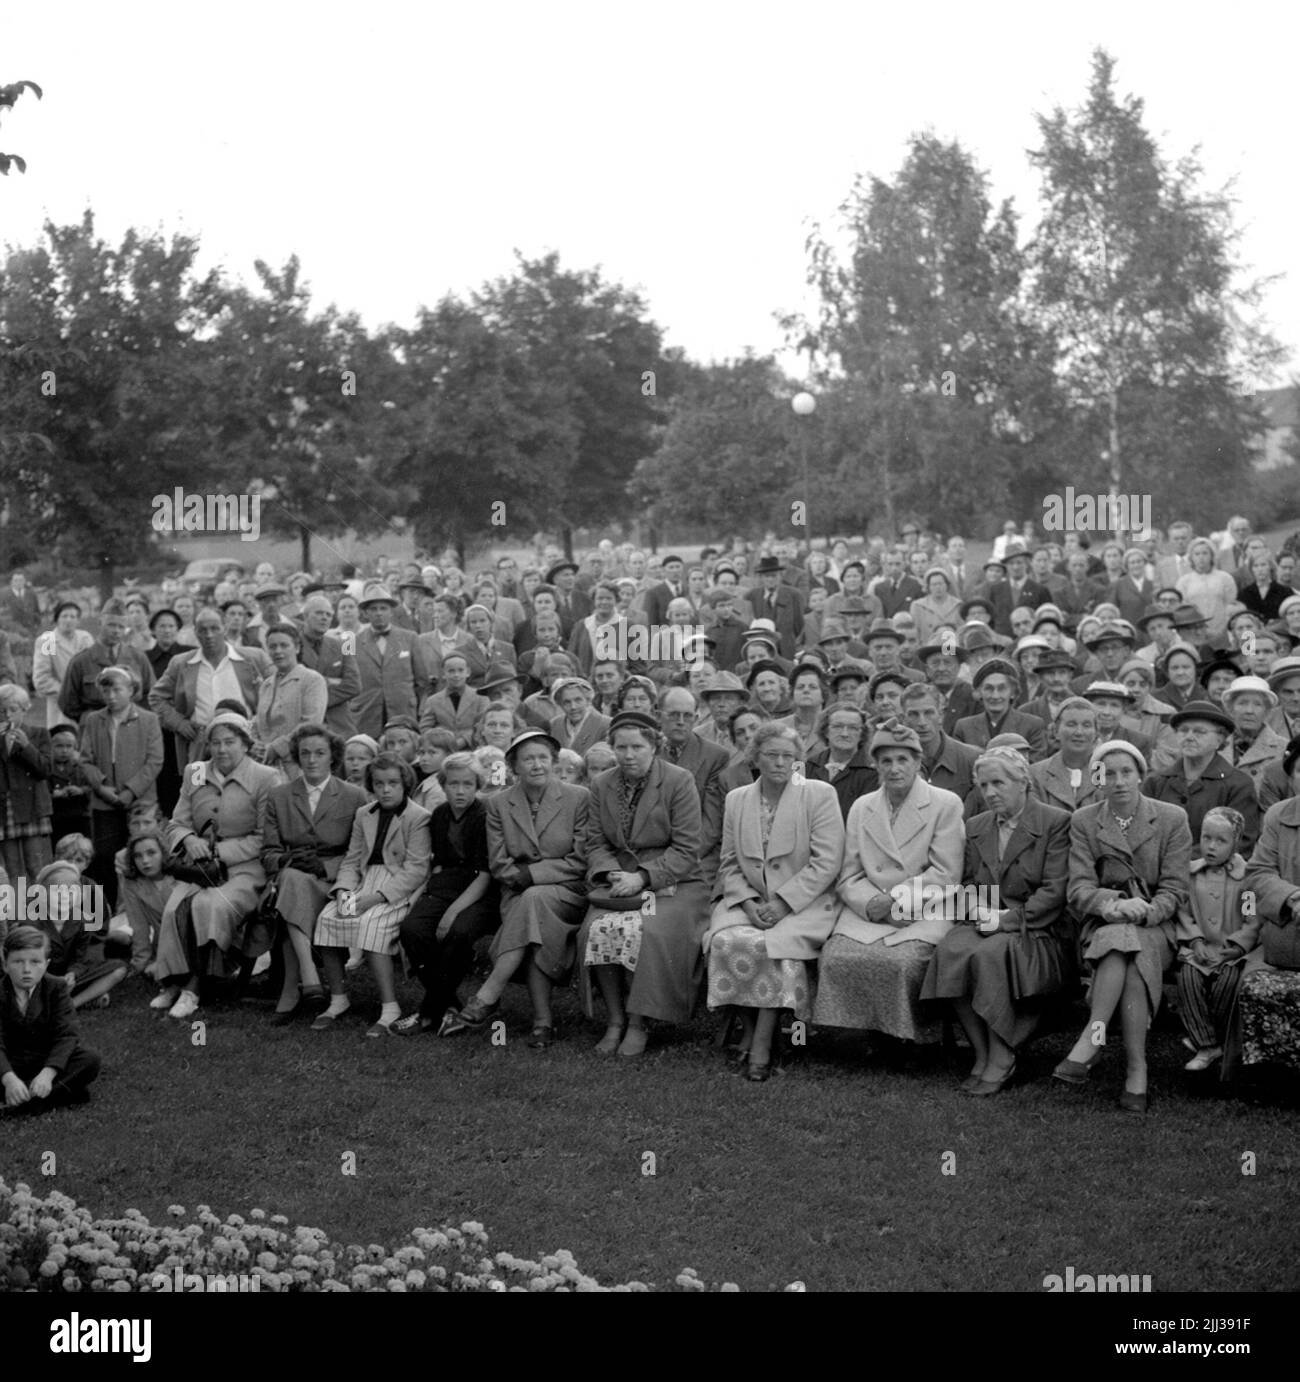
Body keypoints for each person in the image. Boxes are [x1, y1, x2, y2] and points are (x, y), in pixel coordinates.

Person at [1053, 740, 1193, 1113]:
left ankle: (1092, 1038)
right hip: (1102, 924)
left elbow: (1177, 888)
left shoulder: (1171, 818)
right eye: (1107, 773)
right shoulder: (1084, 821)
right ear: (1096, 780)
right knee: (1123, 944)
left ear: (1141, 776)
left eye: (1126, 772)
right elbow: (1078, 888)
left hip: (1157, 924)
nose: (1118, 781)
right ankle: (1137, 1068)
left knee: (1131, 943)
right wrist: (1112, 905)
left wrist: (1143, 911)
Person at [922, 748, 1072, 1094]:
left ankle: (1003, 1055)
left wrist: (1005, 920)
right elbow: (972, 882)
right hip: (987, 919)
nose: (990, 792)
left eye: (998, 783)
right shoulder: (976, 826)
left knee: (989, 956)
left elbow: (1055, 891)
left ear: (1023, 783)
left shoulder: (1055, 822)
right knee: (952, 950)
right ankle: (982, 1050)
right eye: (983, 785)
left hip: (1037, 927)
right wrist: (977, 910)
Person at [705, 723, 845, 1082]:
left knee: (774, 948)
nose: (780, 763)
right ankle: (752, 1031)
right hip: (749, 899)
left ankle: (762, 1044)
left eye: (788, 755)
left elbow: (827, 862)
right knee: (726, 941)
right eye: (771, 755)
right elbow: (730, 863)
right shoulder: (737, 799)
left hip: (805, 902)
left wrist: (784, 904)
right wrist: (749, 903)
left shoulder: (819, 794)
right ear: (755, 758)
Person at [812, 719, 965, 1046]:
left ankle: (910, 1038)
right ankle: (865, 1034)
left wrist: (895, 899)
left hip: (924, 909)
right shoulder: (862, 807)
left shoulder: (945, 803)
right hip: (867, 910)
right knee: (838, 956)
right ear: (875, 765)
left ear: (917, 762)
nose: (894, 768)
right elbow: (849, 874)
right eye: (886, 761)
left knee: (901, 963)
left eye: (902, 760)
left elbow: (946, 872)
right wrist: (871, 904)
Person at [434, 732, 589, 1045]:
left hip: (568, 892)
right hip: (516, 894)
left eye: (543, 758)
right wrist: (520, 878)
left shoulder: (578, 798)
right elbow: (499, 862)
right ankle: (542, 1025)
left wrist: (532, 874)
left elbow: (581, 860)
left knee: (534, 902)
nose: (536, 765)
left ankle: (489, 994)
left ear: (554, 762)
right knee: (533, 914)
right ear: (513, 766)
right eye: (528, 759)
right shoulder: (499, 804)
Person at [577, 710, 707, 1058]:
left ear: (654, 746)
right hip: (618, 880)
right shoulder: (602, 783)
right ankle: (615, 1019)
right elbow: (594, 842)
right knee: (597, 928)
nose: (629, 755)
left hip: (674, 881)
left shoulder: (679, 781)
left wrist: (643, 877)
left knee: (648, 931)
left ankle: (639, 1021)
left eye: (637, 746)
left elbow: (687, 848)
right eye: (621, 747)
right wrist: (611, 873)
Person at [149, 712, 280, 1021]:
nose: (222, 750)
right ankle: (175, 981)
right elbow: (177, 822)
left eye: (230, 742)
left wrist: (217, 850)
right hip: (199, 866)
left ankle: (195, 987)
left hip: (245, 868)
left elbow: (264, 837)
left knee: (212, 906)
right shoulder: (195, 772)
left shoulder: (265, 777)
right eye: (215, 743)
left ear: (246, 744)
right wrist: (188, 838)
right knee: (173, 909)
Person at [311, 753, 432, 1037]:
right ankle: (338, 999)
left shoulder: (418, 817)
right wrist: (342, 890)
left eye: (392, 783)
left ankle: (390, 1007)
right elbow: (352, 860)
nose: (385, 789)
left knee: (371, 924)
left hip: (396, 887)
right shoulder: (364, 814)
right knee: (329, 918)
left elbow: (415, 870)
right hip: (364, 881)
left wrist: (376, 898)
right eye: (379, 784)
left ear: (405, 784)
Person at [260, 725, 368, 1024]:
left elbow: (363, 852)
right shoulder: (279, 796)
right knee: (292, 880)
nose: (311, 760)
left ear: (333, 757)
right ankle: (309, 979)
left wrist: (327, 867)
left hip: (339, 883)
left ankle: (297, 986)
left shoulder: (354, 795)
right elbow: (268, 854)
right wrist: (288, 858)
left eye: (319, 753)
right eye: (304, 753)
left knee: (291, 898)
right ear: (296, 757)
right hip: (293, 876)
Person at [393, 753, 499, 1035]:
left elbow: (485, 873)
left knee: (458, 931)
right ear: (443, 785)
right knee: (412, 929)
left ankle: (428, 1012)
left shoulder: (484, 815)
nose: (460, 790)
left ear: (477, 785)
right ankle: (448, 1006)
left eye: (467, 784)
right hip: (445, 884)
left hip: (481, 890)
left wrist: (451, 913)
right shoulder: (439, 814)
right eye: (453, 784)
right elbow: (438, 863)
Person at [1173, 807, 1259, 1073]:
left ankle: (1215, 1040)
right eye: (1206, 838)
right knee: (1187, 977)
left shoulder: (1246, 880)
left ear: (1236, 842)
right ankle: (1206, 1043)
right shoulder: (1191, 874)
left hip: (1230, 953)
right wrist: (1195, 941)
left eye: (1221, 841)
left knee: (1228, 983)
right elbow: (1184, 913)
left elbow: (1251, 920)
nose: (1211, 846)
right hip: (1199, 950)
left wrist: (1235, 947)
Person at [1235, 741, 1300, 1076]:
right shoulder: (1279, 815)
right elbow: (1257, 873)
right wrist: (1293, 898)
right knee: (1253, 982)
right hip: (1288, 940)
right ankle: (1271, 1076)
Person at [77, 666, 164, 911]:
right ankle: (107, 915)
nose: (111, 696)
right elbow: (85, 759)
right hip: (104, 801)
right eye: (106, 691)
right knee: (105, 856)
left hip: (140, 802)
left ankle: (145, 912)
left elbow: (155, 760)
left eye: (117, 690)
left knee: (142, 854)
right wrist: (102, 787)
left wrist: (130, 791)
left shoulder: (148, 719)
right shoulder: (94, 720)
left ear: (132, 690)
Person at [0, 925, 101, 1113]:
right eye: (18, 962)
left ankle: (22, 1103)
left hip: (44, 1060)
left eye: (35, 962)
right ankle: (51, 1096)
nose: (27, 970)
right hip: (9, 1062)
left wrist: (48, 1074)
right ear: (5, 964)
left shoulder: (56, 987)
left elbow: (67, 1035)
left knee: (89, 1059)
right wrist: (9, 1078)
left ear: (46, 964)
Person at [1143, 700, 1259, 854]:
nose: (1189, 737)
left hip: (1212, 872)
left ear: (1220, 739)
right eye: (1183, 730)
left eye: (1199, 732)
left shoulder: (1238, 784)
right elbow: (1142, 831)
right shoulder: (1156, 781)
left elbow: (1242, 840)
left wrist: (1185, 860)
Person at [252, 623, 329, 781]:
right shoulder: (266, 685)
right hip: (265, 764)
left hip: (298, 764)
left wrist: (277, 747)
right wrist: (254, 743)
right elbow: (259, 722)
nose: (278, 651)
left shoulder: (311, 679)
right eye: (272, 646)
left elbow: (310, 724)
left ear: (297, 648)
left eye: (284, 645)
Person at [0, 685, 54, 881]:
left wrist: (27, 747)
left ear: (24, 709)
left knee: (35, 865)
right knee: (12, 868)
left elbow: (46, 769)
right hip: (5, 807)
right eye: (1, 710)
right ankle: (18, 910)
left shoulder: (39, 734)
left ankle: (39, 909)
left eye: (13, 710)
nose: (7, 715)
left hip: (31, 806)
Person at [115, 829, 179, 978]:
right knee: (151, 971)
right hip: (163, 943)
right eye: (138, 856)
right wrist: (140, 962)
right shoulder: (133, 884)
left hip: (190, 940)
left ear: (163, 852)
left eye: (151, 853)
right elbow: (139, 925)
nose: (145, 861)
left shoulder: (180, 874)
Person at [30, 602, 94, 729]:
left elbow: (93, 669)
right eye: (64, 616)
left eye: (73, 616)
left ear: (78, 621)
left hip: (87, 705)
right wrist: (68, 693)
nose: (68, 620)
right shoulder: (48, 640)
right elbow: (42, 678)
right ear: (57, 619)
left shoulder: (85, 638)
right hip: (60, 706)